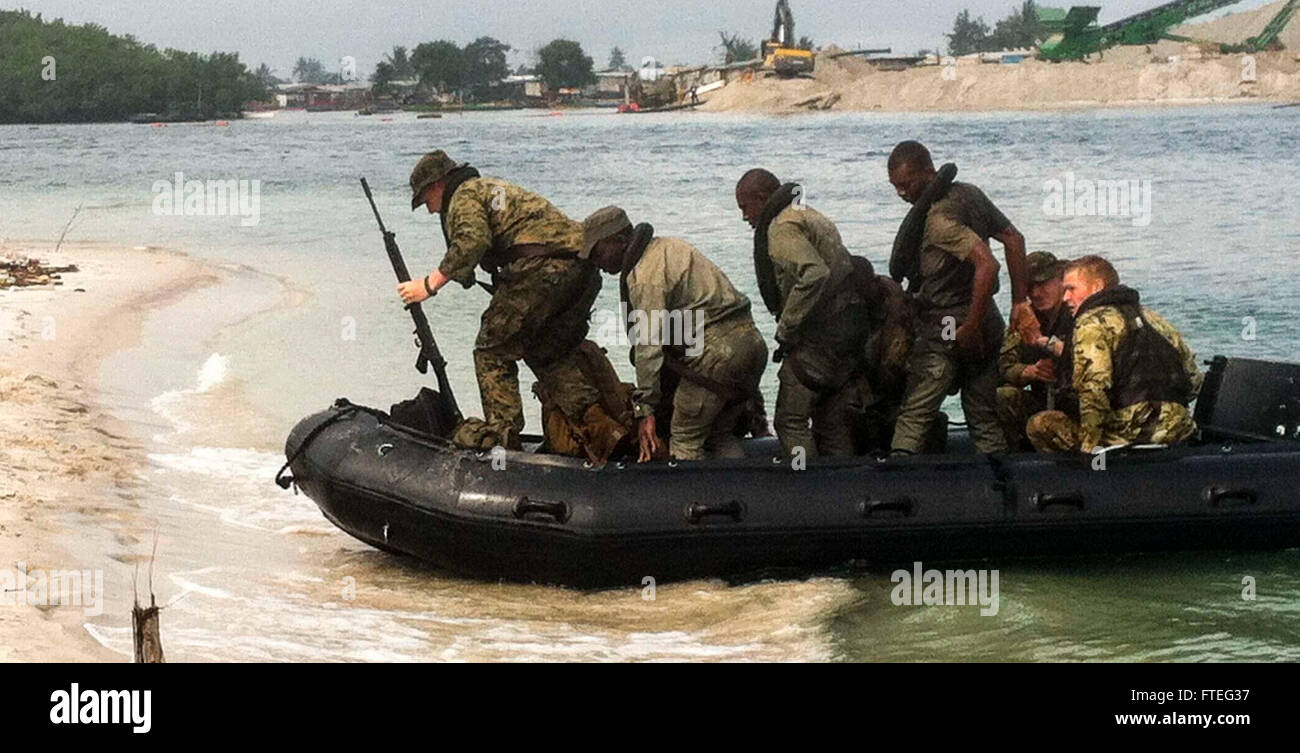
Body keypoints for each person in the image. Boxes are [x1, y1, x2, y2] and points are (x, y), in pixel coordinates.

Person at [396, 150, 626, 458]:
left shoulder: (464, 194)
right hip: (582, 273)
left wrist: (428, 285)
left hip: (542, 270)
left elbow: (471, 241)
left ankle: (504, 442)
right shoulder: (490, 189)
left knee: (492, 352)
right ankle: (602, 429)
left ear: (438, 184)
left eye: (426, 200)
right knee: (548, 354)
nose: (429, 210)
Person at [581, 207, 768, 461]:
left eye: (598, 252)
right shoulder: (671, 247)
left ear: (621, 241)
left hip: (716, 354)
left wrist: (645, 411)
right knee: (717, 436)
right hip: (751, 342)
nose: (596, 263)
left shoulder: (644, 276)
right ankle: (740, 494)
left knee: (685, 438)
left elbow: (649, 346)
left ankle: (690, 500)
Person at [885, 140, 1032, 455]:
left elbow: (987, 265)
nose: (901, 193)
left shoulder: (939, 221)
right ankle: (997, 483)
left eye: (907, 184)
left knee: (914, 414)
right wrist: (1019, 301)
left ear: (928, 171)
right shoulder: (970, 194)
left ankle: (896, 482)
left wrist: (971, 326)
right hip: (987, 319)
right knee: (982, 414)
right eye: (895, 187)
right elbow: (1013, 238)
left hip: (950, 326)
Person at [735, 168, 871, 458]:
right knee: (831, 418)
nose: (744, 216)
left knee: (790, 419)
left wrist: (786, 328)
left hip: (822, 336)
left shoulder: (781, 227)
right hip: (851, 327)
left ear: (762, 198)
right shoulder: (808, 214)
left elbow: (813, 274)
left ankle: (805, 479)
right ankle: (843, 482)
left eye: (745, 207)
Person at [1026, 255, 1202, 453]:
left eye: (1071, 289)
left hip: (1129, 435)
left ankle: (1079, 480)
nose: (1066, 297)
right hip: (1179, 429)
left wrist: (1090, 447)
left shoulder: (1091, 322)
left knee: (1040, 424)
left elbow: (1094, 389)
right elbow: (1194, 382)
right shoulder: (1155, 319)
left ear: (1097, 286)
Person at [996, 251, 1076, 450]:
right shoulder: (1026, 318)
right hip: (1045, 399)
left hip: (1081, 405)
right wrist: (1029, 371)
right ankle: (1019, 458)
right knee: (1002, 396)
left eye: (1043, 284)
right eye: (1029, 287)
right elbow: (1004, 364)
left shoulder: (1078, 312)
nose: (1036, 293)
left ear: (1061, 280)